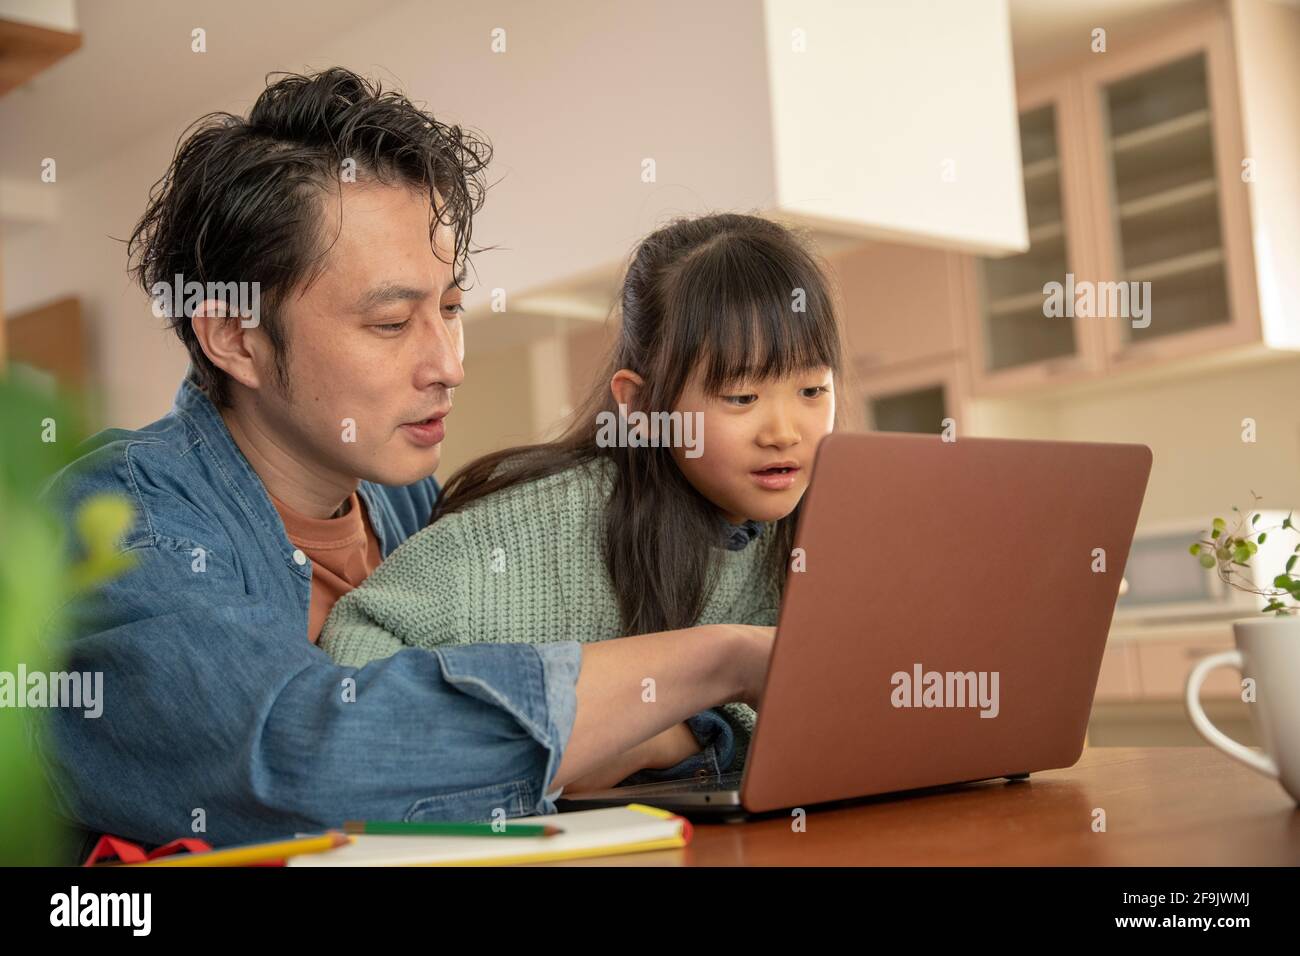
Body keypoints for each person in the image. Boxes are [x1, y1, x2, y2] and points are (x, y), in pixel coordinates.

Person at [36, 67, 773, 851]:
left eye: (450, 308)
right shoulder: (114, 521)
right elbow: (302, 765)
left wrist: (645, 732)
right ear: (235, 337)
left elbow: (594, 743)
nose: (449, 364)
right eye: (392, 323)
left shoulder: (418, 513)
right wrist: (718, 662)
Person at [321, 212, 843, 790]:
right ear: (641, 409)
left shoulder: (822, 527)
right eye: (741, 396)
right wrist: (665, 730)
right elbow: (352, 664)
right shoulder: (531, 531)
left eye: (813, 390)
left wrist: (680, 734)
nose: (785, 431)